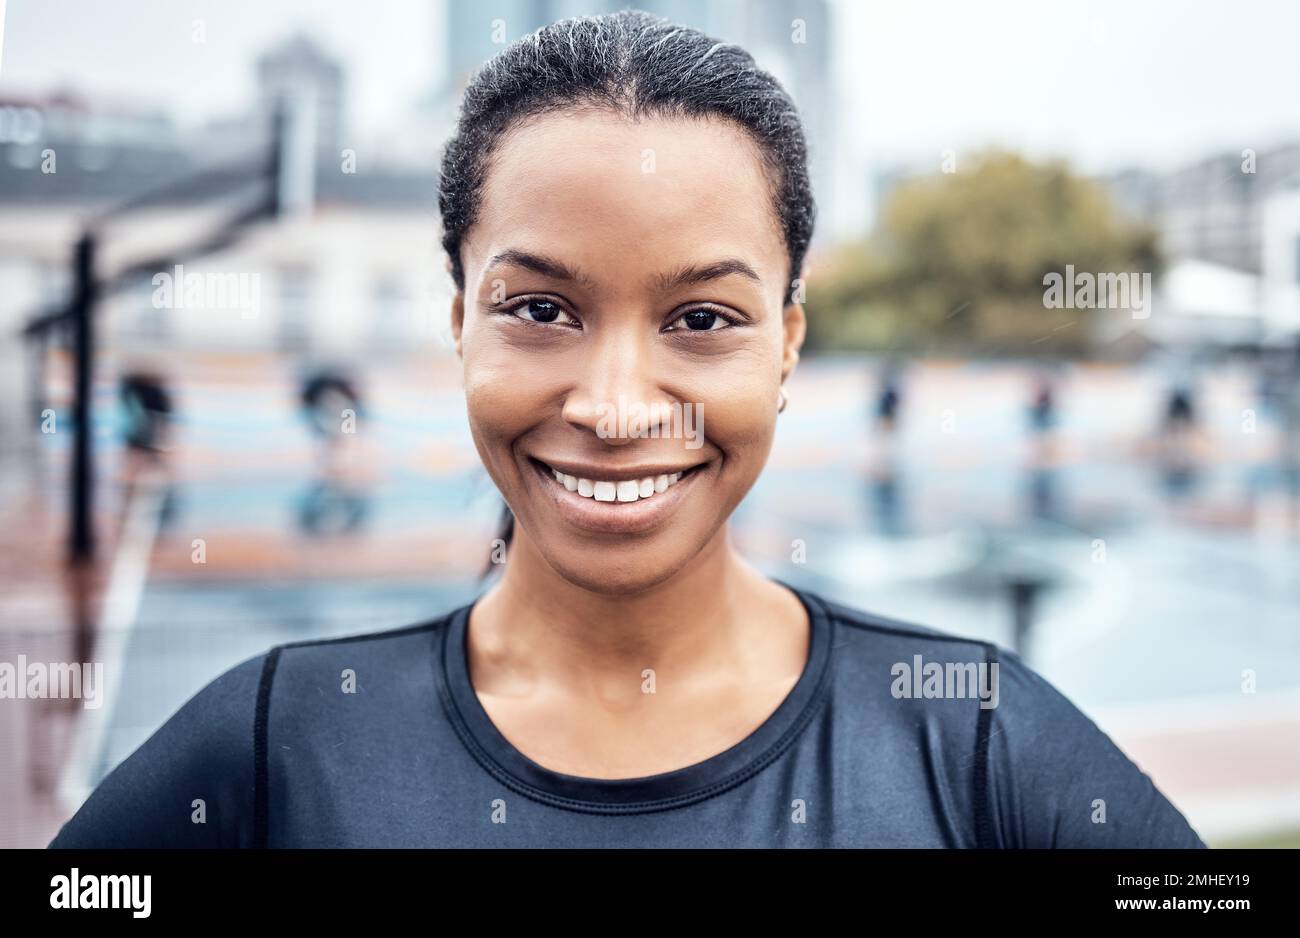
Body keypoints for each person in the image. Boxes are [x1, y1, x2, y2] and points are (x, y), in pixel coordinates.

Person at [47, 10, 1204, 848]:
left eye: (701, 317)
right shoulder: (275, 745)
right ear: (461, 323)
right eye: (540, 309)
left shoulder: (970, 743)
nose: (614, 407)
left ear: (787, 344)